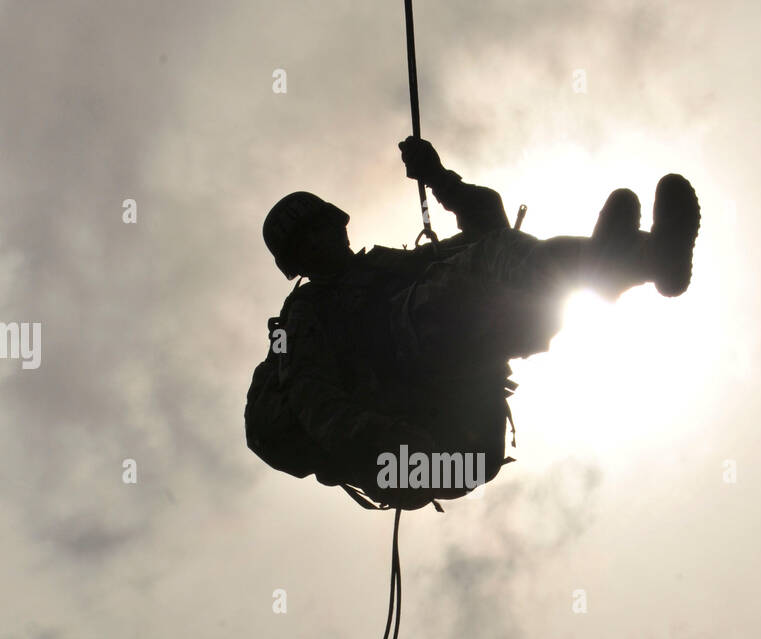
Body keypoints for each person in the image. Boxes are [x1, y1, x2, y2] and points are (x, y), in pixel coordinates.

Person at [246, 137, 700, 508]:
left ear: (338, 226)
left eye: (320, 229)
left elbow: (487, 226)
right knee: (484, 270)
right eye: (305, 242)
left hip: (464, 423)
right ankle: (614, 266)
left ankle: (646, 259)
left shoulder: (385, 267)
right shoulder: (301, 316)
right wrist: (389, 449)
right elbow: (310, 394)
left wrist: (440, 180)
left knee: (505, 266)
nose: (319, 243)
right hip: (435, 446)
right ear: (297, 263)